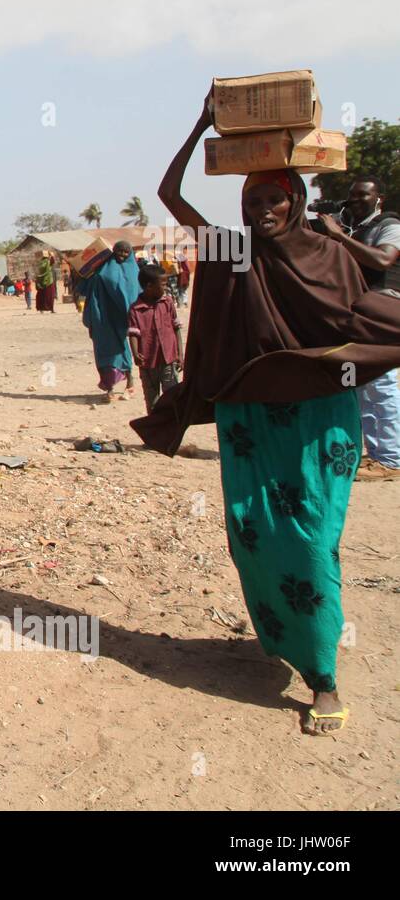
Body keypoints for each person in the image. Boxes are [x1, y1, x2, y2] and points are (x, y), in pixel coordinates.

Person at [134, 99, 400, 736]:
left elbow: (366, 308)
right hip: (250, 415)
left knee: (311, 540)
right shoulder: (231, 250)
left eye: (274, 199)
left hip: (319, 415)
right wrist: (200, 125)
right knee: (253, 534)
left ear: (297, 200)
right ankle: (290, 642)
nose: (261, 211)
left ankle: (324, 676)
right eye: (252, 201)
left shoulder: (331, 253)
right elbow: (168, 192)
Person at [318, 177, 400, 480]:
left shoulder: (388, 225)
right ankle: (374, 453)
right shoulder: (347, 225)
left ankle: (390, 458)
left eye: (363, 196)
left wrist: (339, 236)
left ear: (379, 197)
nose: (355, 200)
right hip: (354, 313)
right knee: (357, 383)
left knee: (380, 385)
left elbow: (382, 259)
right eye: (352, 195)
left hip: (382, 313)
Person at [81, 239, 139, 401]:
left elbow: (135, 294)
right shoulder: (103, 268)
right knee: (103, 349)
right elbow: (87, 285)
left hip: (121, 317)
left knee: (122, 348)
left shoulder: (134, 271)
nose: (122, 255)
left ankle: (130, 383)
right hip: (102, 316)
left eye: (125, 252)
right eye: (119, 251)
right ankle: (109, 388)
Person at [127, 263, 182, 411]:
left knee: (172, 397)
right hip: (148, 362)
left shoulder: (167, 303)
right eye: (163, 284)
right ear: (149, 286)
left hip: (168, 359)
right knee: (152, 402)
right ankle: (155, 431)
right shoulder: (135, 309)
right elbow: (133, 333)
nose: (166, 287)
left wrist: (180, 355)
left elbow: (176, 328)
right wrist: (135, 354)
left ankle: (172, 430)